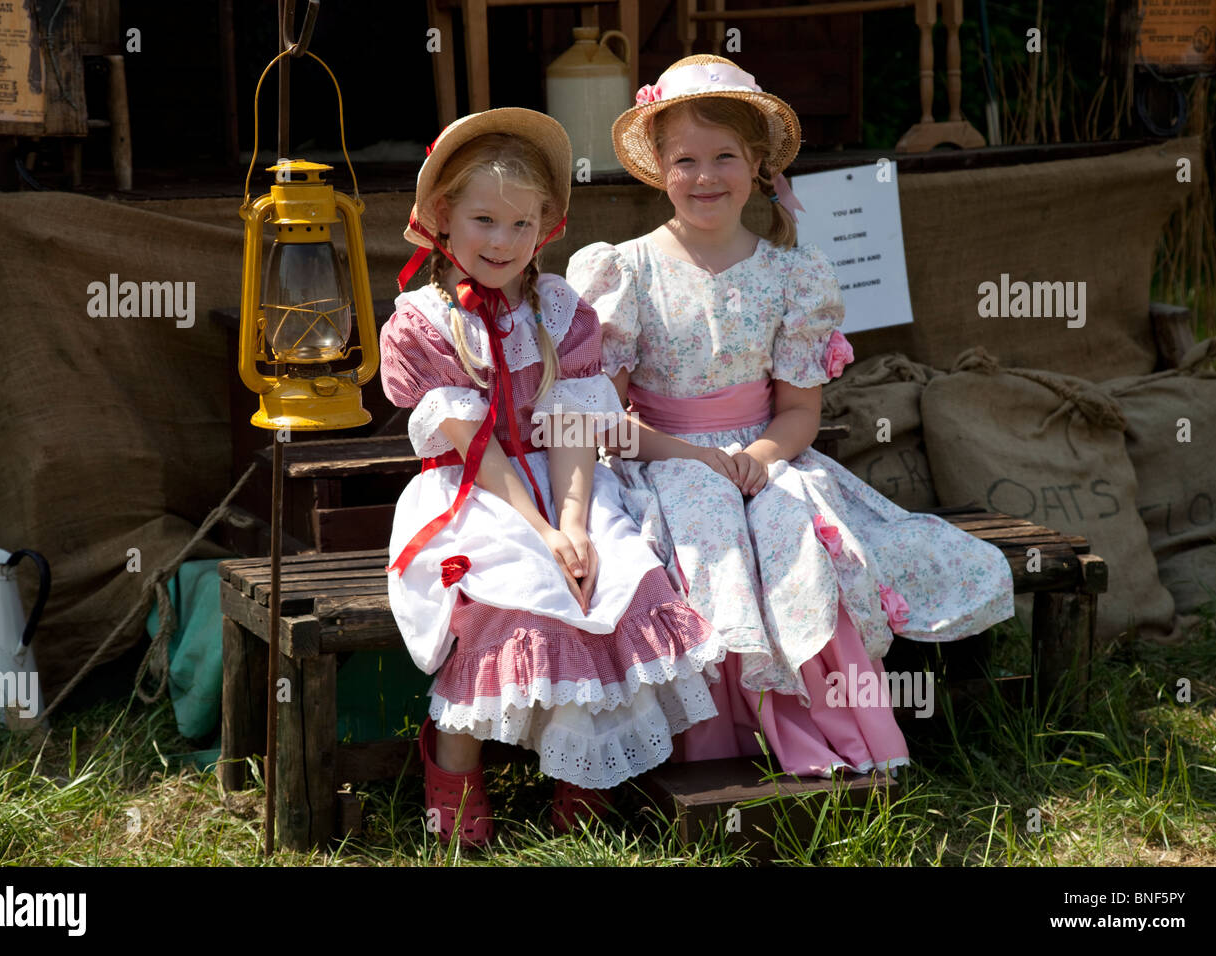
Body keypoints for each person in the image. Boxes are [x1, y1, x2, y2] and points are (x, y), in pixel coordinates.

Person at [565, 56, 1015, 778]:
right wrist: (687, 454)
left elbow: (801, 410)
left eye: (724, 158)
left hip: (765, 457)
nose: (705, 176)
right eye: (686, 160)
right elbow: (603, 416)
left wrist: (765, 457)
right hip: (661, 460)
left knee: (796, 534)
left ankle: (826, 734)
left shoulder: (790, 276)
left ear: (757, 166)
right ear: (658, 167)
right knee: (708, 535)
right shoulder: (627, 272)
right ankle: (716, 747)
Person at [380, 108, 726, 848]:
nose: (501, 242)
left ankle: (588, 771)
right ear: (442, 216)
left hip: (562, 480)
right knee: (515, 590)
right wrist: (542, 533)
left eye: (520, 226)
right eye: (483, 221)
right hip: (473, 490)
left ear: (547, 227)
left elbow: (573, 429)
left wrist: (573, 523)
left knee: (615, 575)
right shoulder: (422, 322)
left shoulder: (560, 310)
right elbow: (476, 450)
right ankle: (454, 770)